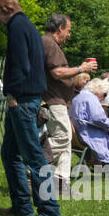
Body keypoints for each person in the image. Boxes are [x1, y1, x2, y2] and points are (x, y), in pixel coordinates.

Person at [0, 0, 61, 216]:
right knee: (10, 154)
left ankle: (50, 214)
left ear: (3, 10)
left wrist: (13, 95)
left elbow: (20, 64)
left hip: (21, 99)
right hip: (28, 97)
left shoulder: (17, 27)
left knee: (34, 156)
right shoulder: (28, 25)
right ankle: (22, 207)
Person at [40, 13, 97, 194]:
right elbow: (57, 73)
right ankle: (32, 165)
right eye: (68, 30)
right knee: (62, 138)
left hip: (59, 100)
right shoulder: (49, 43)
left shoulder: (50, 44)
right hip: (54, 99)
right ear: (60, 28)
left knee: (66, 143)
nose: (69, 35)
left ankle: (60, 184)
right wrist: (82, 69)